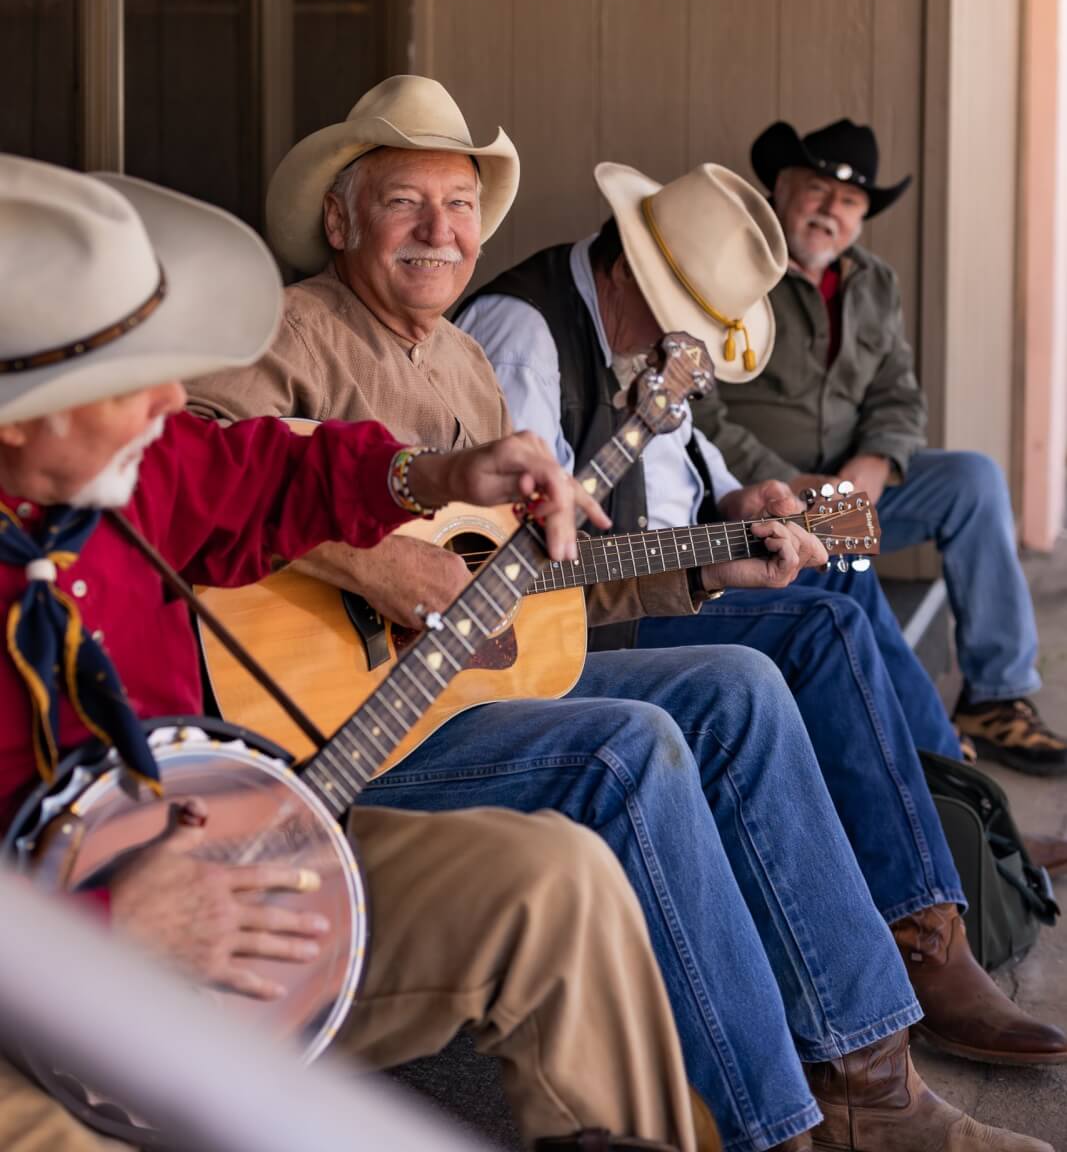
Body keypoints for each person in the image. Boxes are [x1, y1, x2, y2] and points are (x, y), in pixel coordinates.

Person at [191, 74, 1051, 1152]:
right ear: (338, 216)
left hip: (467, 688)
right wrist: (368, 561)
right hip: (336, 726)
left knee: (741, 682)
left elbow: (539, 581)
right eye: (405, 201)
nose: (439, 231)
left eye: (459, 206)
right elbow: (179, 476)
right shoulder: (288, 330)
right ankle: (773, 1126)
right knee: (628, 746)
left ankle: (868, 1082)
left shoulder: (462, 363)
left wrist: (707, 572)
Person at [0, 152, 712, 1152]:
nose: (171, 401)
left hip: (239, 873)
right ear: (20, 409)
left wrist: (443, 472)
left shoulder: (140, 467)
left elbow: (270, 472)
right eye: (128, 381)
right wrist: (95, 927)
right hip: (32, 1002)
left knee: (556, 878)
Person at [458, 156, 1067, 1070]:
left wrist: (744, 505)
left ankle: (950, 827)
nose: (693, 352)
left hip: (687, 551)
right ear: (627, 263)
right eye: (684, 318)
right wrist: (708, 559)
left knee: (843, 567)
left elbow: (689, 455)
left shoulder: (649, 328)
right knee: (822, 629)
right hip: (589, 618)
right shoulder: (525, 334)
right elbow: (539, 562)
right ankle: (924, 937)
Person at [688, 117, 1067, 779]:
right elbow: (697, 413)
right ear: (778, 188)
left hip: (848, 495)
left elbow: (898, 394)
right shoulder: (731, 272)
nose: (830, 211)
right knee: (839, 587)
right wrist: (785, 481)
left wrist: (877, 464)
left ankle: (996, 694)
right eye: (815, 190)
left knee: (971, 480)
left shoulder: (872, 283)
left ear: (862, 216)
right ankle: (915, 737)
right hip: (756, 500)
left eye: (849, 202)